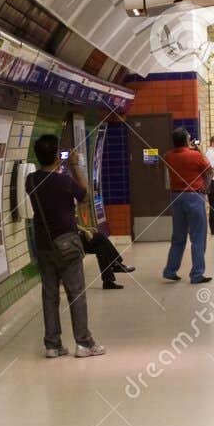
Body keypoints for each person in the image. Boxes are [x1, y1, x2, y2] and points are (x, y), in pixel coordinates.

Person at [26, 134, 106, 358]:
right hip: (67, 243)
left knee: (50, 294)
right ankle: (84, 343)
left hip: (42, 245)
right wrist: (74, 166)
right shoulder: (64, 181)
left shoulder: (30, 181)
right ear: (57, 157)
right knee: (76, 293)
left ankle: (52, 344)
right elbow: (85, 196)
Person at [162, 128, 212, 285]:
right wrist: (198, 151)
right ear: (186, 140)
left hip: (176, 197)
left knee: (178, 237)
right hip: (194, 196)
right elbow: (208, 170)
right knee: (198, 237)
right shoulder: (195, 155)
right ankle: (197, 274)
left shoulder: (168, 156)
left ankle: (170, 271)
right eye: (189, 138)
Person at [81, 221, 133, 289]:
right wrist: (85, 231)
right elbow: (70, 225)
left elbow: (73, 224)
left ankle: (108, 282)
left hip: (76, 237)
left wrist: (87, 229)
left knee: (101, 248)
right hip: (70, 241)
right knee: (99, 236)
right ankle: (116, 264)